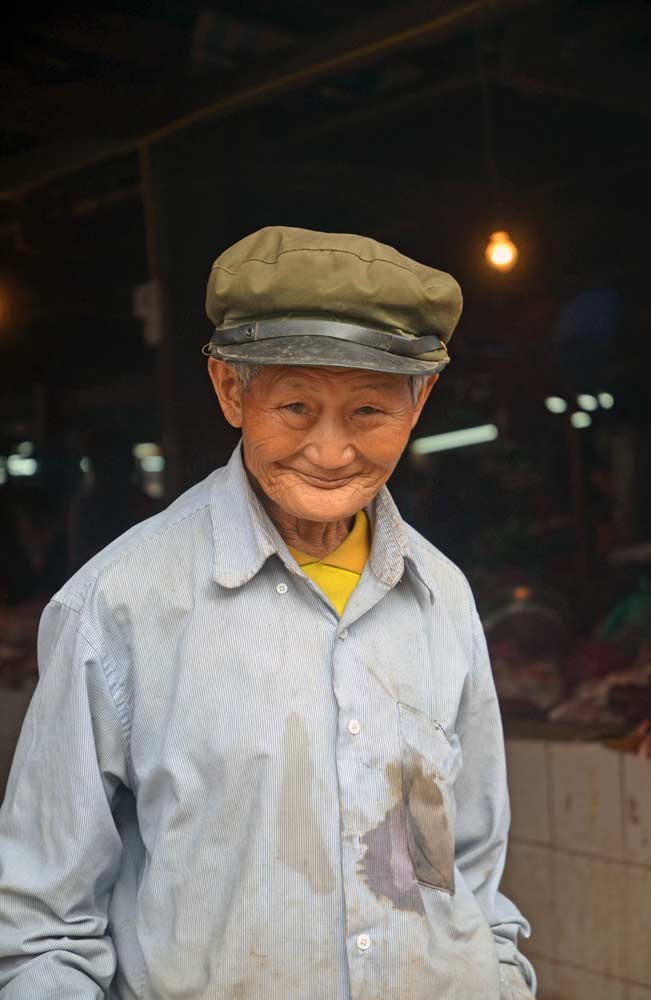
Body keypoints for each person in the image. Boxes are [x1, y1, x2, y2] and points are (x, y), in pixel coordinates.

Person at [0, 226, 536, 999]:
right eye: (295, 406)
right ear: (230, 390)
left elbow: (473, 876)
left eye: (368, 411)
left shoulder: (442, 597)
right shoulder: (119, 605)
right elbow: (41, 929)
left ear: (419, 402)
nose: (331, 450)